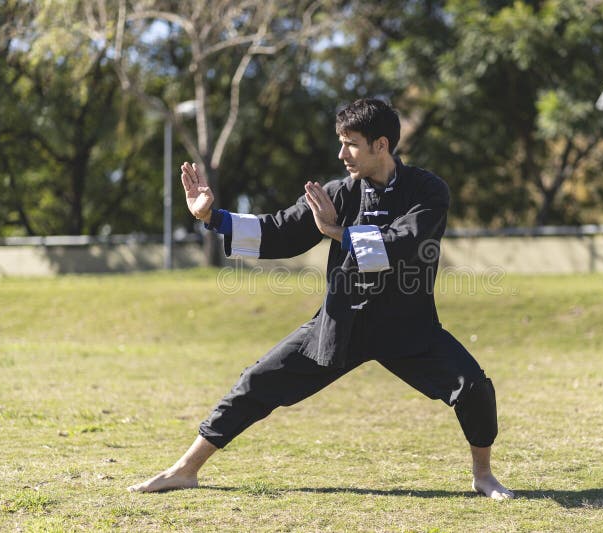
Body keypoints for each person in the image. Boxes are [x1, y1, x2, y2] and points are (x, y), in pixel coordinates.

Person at [127, 98, 514, 500]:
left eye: (350, 144)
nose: (341, 153)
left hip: (408, 327)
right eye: (340, 142)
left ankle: (482, 476)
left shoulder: (428, 191)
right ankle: (186, 469)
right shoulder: (339, 193)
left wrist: (335, 231)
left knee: (474, 389)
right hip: (341, 324)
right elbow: (278, 231)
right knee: (256, 382)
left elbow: (399, 246)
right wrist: (213, 217)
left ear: (381, 145)